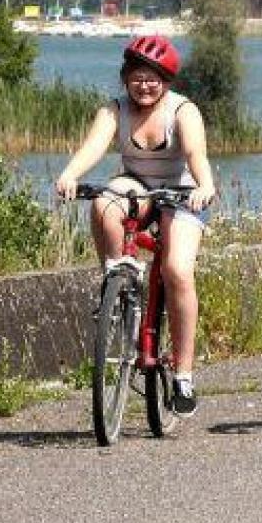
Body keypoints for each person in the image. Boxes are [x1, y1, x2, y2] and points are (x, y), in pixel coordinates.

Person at [53, 33, 218, 418]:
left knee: (177, 270)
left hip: (182, 191)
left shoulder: (183, 111)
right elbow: (93, 148)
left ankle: (183, 375)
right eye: (137, 77)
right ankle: (116, 275)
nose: (144, 85)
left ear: (166, 81)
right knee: (104, 201)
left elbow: (196, 155)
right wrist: (70, 175)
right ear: (126, 77)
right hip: (138, 184)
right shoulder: (113, 110)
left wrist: (205, 186)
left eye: (153, 78)